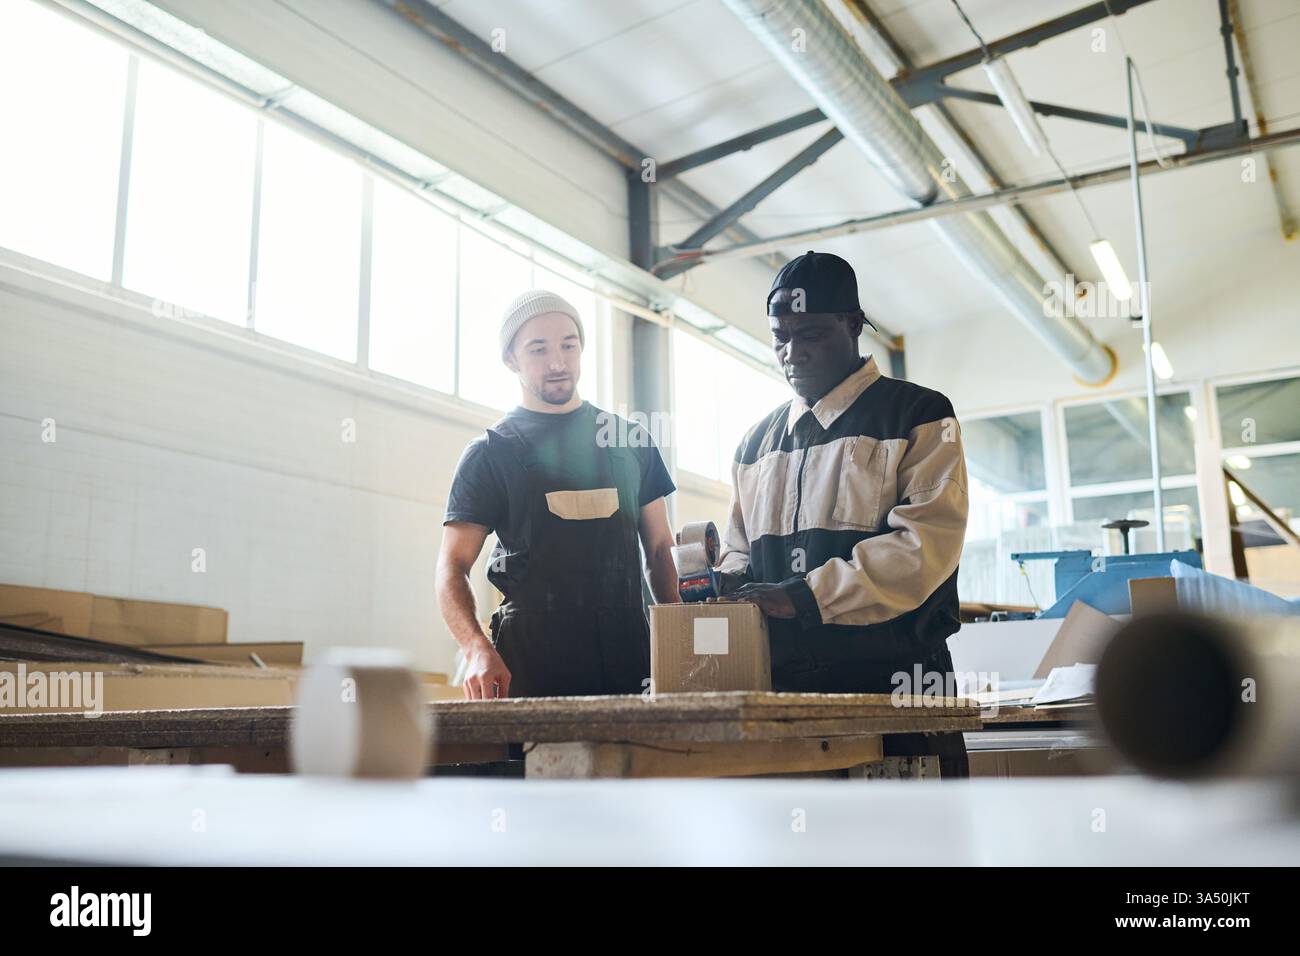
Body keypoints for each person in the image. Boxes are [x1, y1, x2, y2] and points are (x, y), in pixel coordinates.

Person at [714, 251, 971, 776]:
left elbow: (924, 545)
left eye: (809, 335)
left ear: (854, 325)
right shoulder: (755, 444)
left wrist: (807, 596)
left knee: (910, 844)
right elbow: (740, 548)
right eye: (779, 337)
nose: (792, 353)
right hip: (781, 686)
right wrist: (722, 583)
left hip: (897, 682)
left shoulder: (919, 414)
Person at [437, 290, 680, 700]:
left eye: (569, 345)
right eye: (538, 349)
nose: (557, 362)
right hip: (532, 667)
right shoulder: (492, 452)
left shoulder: (629, 440)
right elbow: (451, 566)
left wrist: (682, 644)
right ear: (511, 359)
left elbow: (659, 549)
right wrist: (476, 647)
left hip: (629, 662)